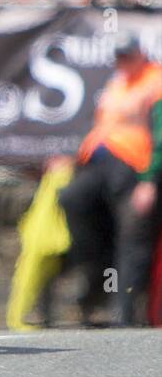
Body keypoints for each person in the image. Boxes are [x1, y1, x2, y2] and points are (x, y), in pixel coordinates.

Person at [59, 34, 162, 325]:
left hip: (135, 170)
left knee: (132, 239)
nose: (122, 62)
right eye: (118, 57)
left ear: (140, 54)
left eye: (127, 56)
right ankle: (94, 285)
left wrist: (150, 181)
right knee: (72, 199)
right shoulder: (116, 83)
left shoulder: (155, 82)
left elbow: (161, 136)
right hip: (99, 165)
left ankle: (124, 313)